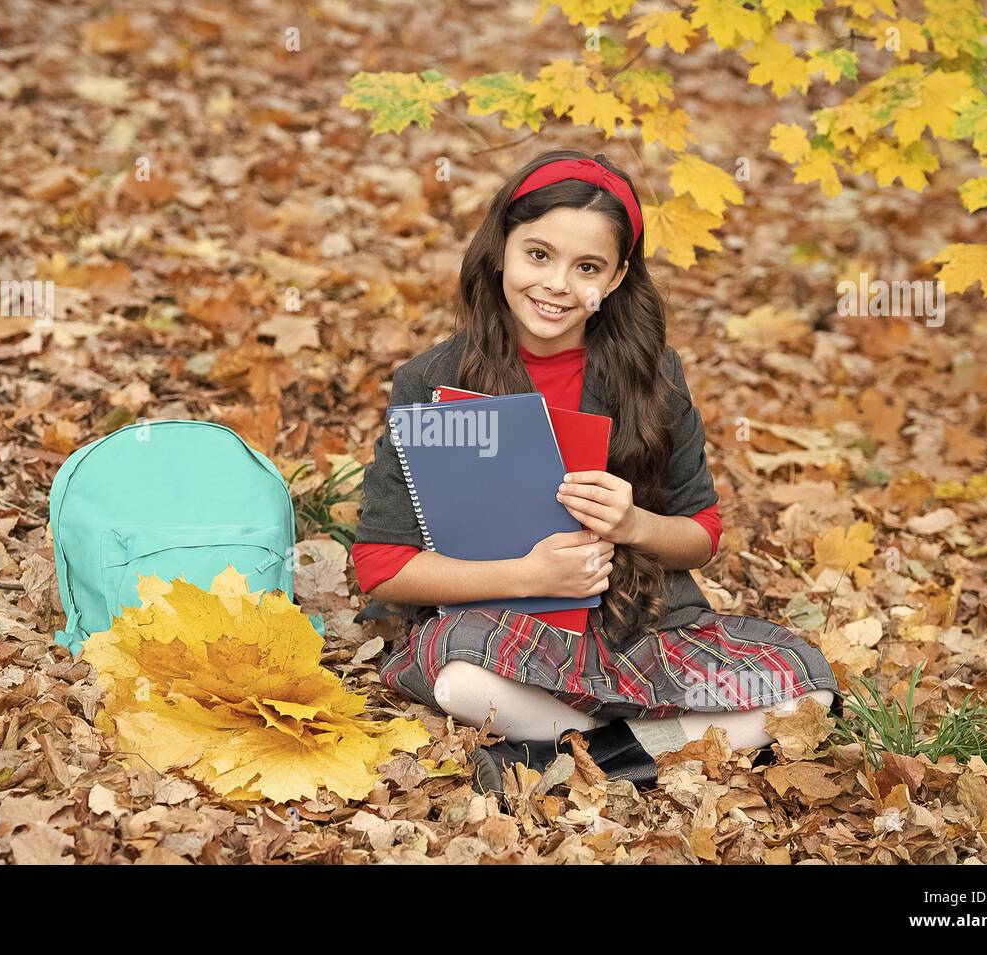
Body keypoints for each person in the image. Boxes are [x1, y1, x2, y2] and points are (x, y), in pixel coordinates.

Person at [351, 149, 842, 795]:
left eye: (586, 267)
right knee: (458, 679)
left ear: (614, 280)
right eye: (538, 255)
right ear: (501, 249)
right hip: (503, 627)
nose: (557, 284)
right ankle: (645, 739)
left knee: (809, 693)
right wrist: (529, 574)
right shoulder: (434, 379)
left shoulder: (653, 377)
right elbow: (381, 565)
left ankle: (577, 751)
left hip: (637, 626)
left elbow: (702, 533)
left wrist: (635, 522)